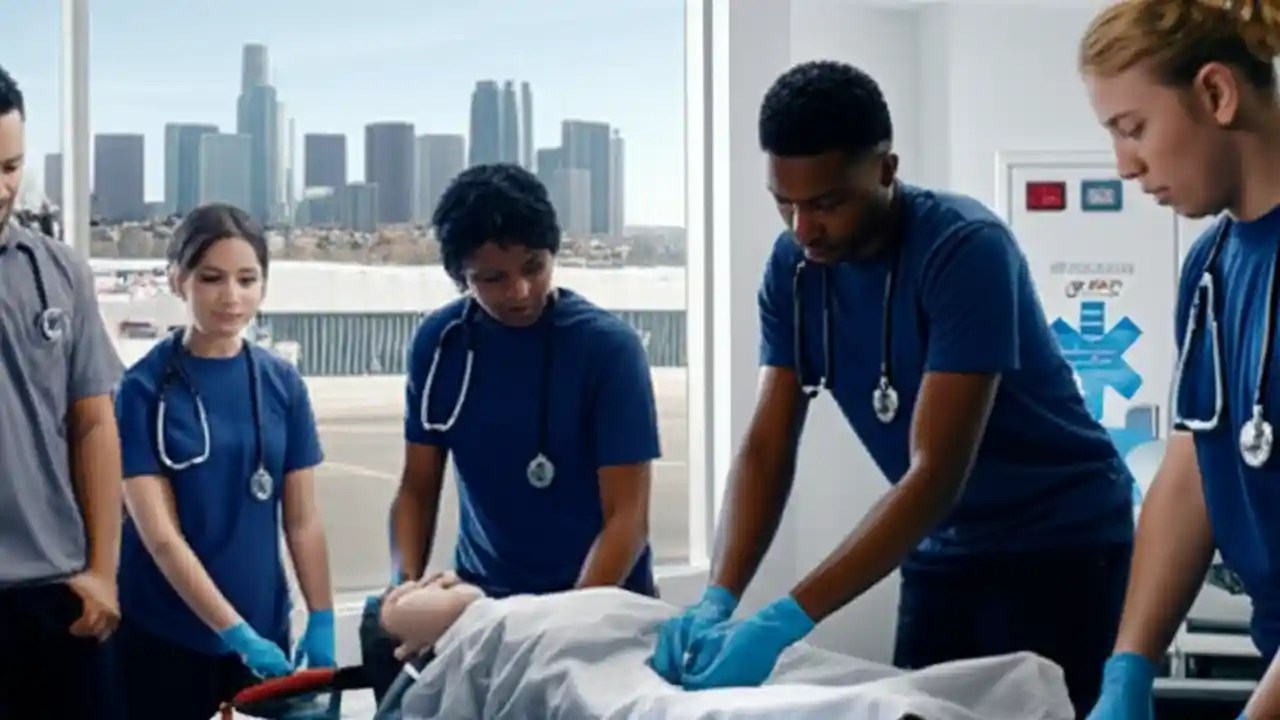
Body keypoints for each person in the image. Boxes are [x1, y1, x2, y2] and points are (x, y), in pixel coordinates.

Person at [648, 59, 1137, 715]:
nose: (803, 229)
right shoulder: (795, 269)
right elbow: (767, 445)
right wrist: (720, 595)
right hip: (941, 544)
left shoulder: (965, 249)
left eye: (826, 203)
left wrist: (785, 620)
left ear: (885, 169)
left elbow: (935, 473)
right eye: (785, 202)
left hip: (1062, 542)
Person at [1078, 3, 1280, 719]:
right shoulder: (1210, 270)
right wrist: (1129, 665)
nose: (1124, 165)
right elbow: (1194, 465)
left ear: (1217, 93)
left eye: (1132, 129)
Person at [392, 163, 661, 598]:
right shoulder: (441, 344)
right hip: (485, 603)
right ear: (461, 277)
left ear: (553, 253)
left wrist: (563, 621)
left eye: (533, 267)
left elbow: (627, 519)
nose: (518, 291)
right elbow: (417, 489)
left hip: (600, 602)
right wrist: (402, 589)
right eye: (492, 278)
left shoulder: (608, 350)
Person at [111, 203, 336, 719]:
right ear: (178, 280)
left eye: (247, 279)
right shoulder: (142, 391)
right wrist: (234, 632)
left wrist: (321, 615)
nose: (232, 296)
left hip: (265, 627)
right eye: (212, 278)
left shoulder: (282, 384)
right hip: (167, 632)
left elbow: (302, 520)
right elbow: (161, 538)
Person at [377, 575, 1074, 720]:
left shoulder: (492, 619)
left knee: (795, 673)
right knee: (664, 708)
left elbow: (397, 611)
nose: (441, 580)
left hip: (612, 624)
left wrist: (724, 605)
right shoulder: (478, 636)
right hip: (589, 641)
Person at [0, 65, 126, 719]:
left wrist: (103, 571)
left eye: (11, 167)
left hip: (59, 596)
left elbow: (93, 425)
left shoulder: (58, 271)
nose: (2, 188)